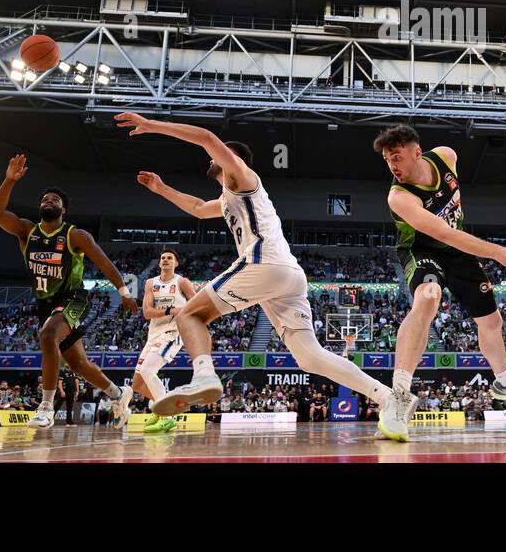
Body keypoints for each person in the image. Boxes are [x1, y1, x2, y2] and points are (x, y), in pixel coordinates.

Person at [115, 112, 403, 441]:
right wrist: (161, 188)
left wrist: (154, 125)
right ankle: (387, 397)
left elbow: (207, 138)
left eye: (217, 155)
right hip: (286, 275)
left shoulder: (241, 176)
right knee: (309, 357)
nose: (211, 157)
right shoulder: (227, 197)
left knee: (189, 315)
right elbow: (197, 208)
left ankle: (204, 375)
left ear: (230, 157)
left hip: (263, 263)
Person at [372, 124, 506, 441]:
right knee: (428, 296)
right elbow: (444, 233)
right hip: (422, 251)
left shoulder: (447, 157)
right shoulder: (399, 197)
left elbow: (454, 232)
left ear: (417, 153)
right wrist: (498, 253)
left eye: (396, 156)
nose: (392, 165)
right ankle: (399, 396)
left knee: (492, 320)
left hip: (459, 253)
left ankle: (505, 382)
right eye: (386, 160)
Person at [0, 154, 139, 428]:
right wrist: (9, 181)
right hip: (45, 302)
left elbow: (104, 262)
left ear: (63, 210)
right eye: (45, 199)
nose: (48, 201)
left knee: (47, 335)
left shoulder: (75, 236)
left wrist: (124, 292)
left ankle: (46, 408)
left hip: (74, 298)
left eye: (54, 200)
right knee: (79, 364)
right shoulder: (27, 231)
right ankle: (119, 394)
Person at [130, 248, 197, 433]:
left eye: (170, 258)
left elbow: (197, 306)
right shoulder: (151, 283)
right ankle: (163, 409)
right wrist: (170, 310)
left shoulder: (182, 282)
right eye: (163, 258)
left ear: (176, 263)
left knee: (147, 370)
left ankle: (166, 417)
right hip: (153, 334)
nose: (166, 260)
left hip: (172, 333)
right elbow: (147, 312)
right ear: (159, 263)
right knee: (137, 384)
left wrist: (187, 321)